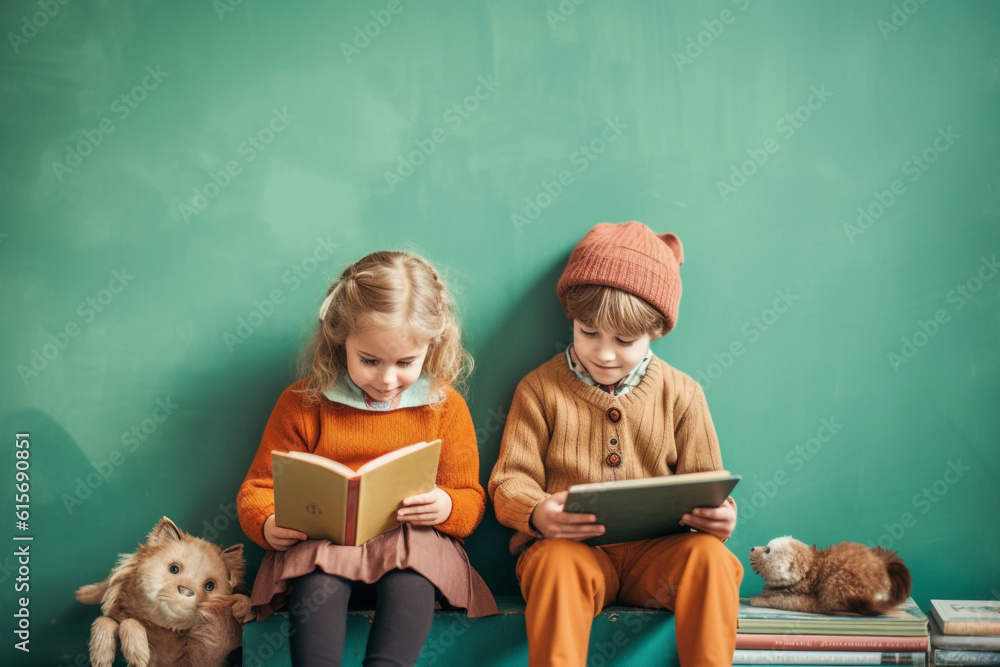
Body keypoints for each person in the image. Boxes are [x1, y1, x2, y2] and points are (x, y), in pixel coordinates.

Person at [488, 222, 742, 667]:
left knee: (712, 560)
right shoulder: (539, 389)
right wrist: (537, 512)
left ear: (656, 332)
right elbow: (510, 479)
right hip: (573, 553)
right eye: (588, 332)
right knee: (556, 567)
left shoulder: (683, 394)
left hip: (660, 558)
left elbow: (709, 483)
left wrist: (720, 518)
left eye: (624, 341)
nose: (604, 353)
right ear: (572, 318)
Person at [238, 250, 497, 667]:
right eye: (370, 361)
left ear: (432, 347)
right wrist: (268, 523)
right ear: (340, 342)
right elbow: (258, 488)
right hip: (326, 543)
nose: (388, 378)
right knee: (317, 571)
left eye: (406, 363)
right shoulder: (304, 402)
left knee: (415, 571)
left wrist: (446, 505)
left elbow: (470, 498)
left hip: (408, 546)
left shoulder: (443, 406)